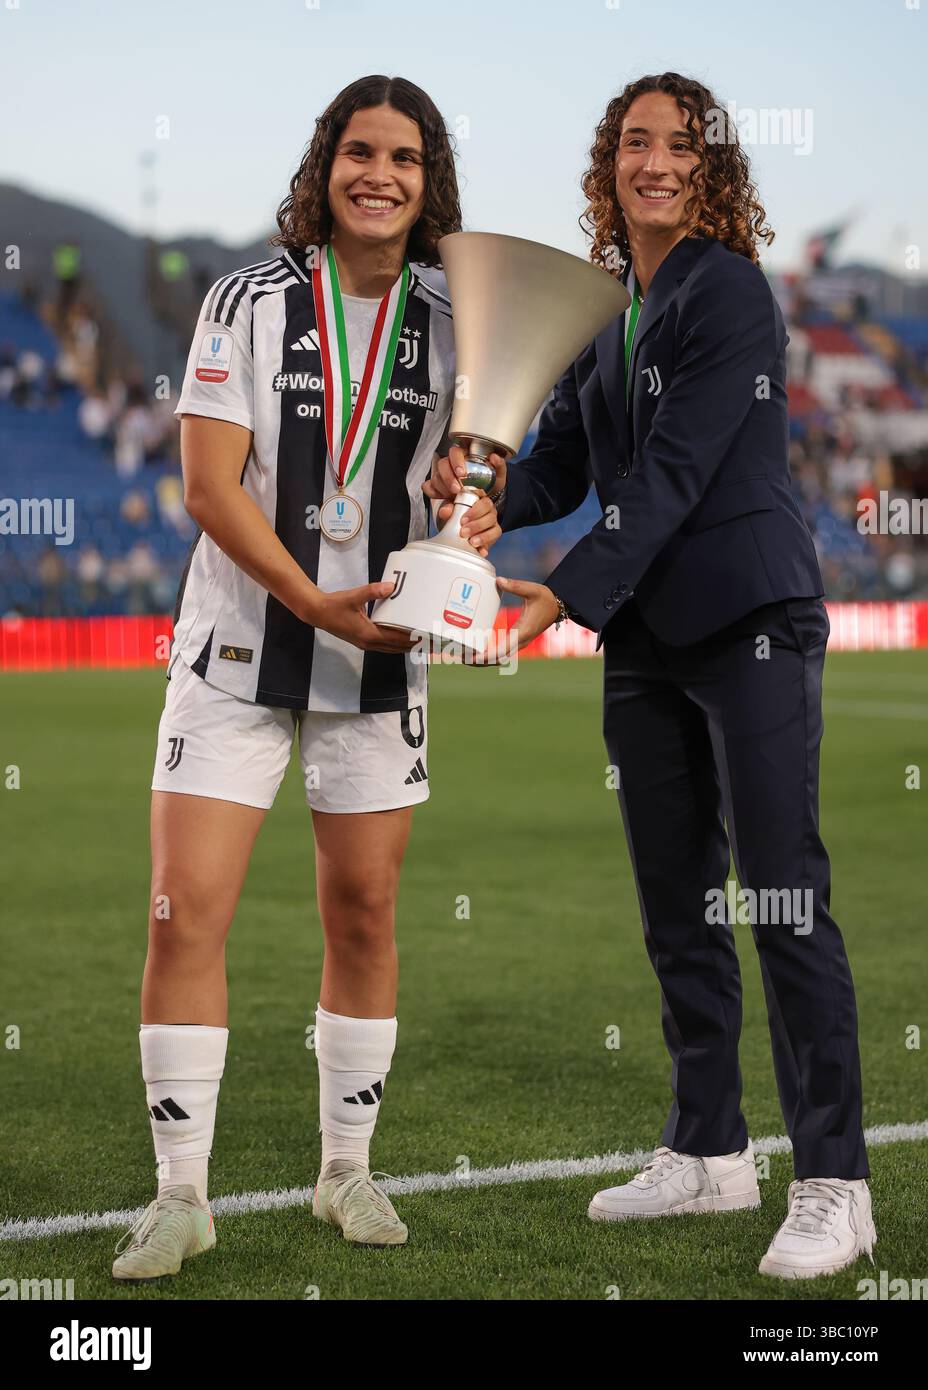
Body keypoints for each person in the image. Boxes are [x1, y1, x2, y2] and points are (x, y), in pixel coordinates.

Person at [427, 72, 874, 1281]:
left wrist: (555, 599)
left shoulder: (728, 291)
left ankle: (834, 1178)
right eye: (636, 141)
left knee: (778, 894)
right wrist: (476, 494)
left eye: (682, 144)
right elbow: (563, 463)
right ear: (608, 161)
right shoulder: (614, 305)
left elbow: (671, 476)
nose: (656, 160)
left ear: (712, 168)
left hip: (751, 621)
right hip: (648, 640)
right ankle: (710, 1149)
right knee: (677, 904)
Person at [113, 75, 479, 1281]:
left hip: (380, 660)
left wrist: (471, 519)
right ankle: (180, 1196)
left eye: (406, 160)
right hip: (237, 651)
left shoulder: (456, 313)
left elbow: (474, 478)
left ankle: (344, 1170)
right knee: (186, 911)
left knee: (364, 912)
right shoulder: (251, 296)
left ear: (430, 184)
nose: (381, 175)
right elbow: (209, 486)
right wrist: (309, 598)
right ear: (326, 164)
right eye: (359, 152)